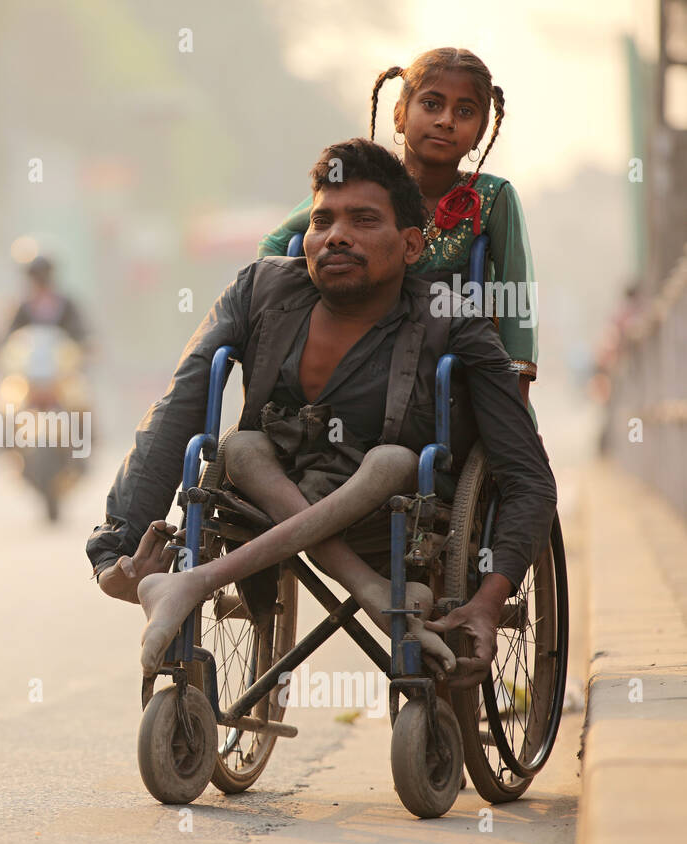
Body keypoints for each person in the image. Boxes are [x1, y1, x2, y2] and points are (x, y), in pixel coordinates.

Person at [86, 139, 556, 689]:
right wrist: (115, 548)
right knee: (241, 448)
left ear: (410, 246)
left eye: (363, 220)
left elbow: (529, 479)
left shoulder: (452, 322)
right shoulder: (258, 289)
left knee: (391, 462)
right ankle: (374, 594)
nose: (337, 235)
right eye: (322, 220)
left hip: (390, 506)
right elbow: (177, 407)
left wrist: (487, 598)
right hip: (266, 492)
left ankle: (197, 582)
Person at [258, 49, 539, 422]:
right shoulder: (366, 185)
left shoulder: (492, 198)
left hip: (448, 361)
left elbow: (515, 296)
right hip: (358, 348)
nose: (446, 121)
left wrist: (514, 401)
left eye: (465, 112)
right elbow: (276, 246)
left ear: (480, 134)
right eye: (432, 104)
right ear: (400, 115)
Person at [0, 256, 91, 358]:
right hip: (29, 364)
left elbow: (79, 331)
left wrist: (86, 344)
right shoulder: (23, 307)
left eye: (44, 279)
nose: (41, 285)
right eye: (37, 280)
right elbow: (11, 333)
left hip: (61, 363)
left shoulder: (66, 306)